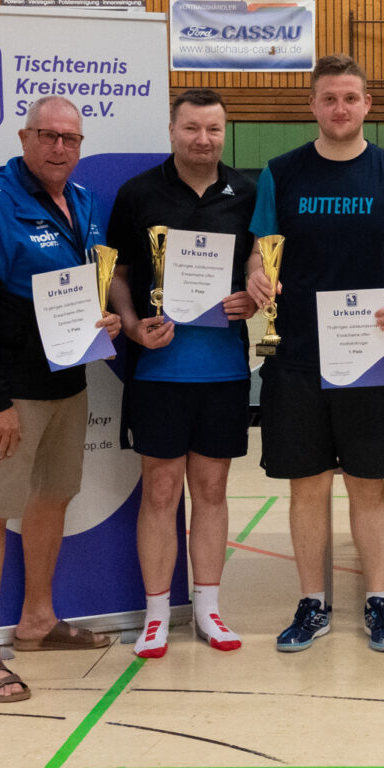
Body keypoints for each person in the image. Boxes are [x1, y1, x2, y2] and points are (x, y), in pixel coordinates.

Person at [246, 55, 384, 654]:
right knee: (307, 485)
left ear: (367, 104)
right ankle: (312, 602)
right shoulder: (281, 173)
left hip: (371, 351)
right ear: (313, 106)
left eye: (351, 97)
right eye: (329, 99)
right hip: (297, 355)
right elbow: (261, 252)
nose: (340, 108)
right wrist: (255, 279)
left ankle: (378, 600)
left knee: (369, 485)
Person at [0, 95, 122, 701]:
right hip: (12, 396)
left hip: (69, 385)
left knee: (51, 499)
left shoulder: (84, 203)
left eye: (70, 139)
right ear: (25, 137)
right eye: (48, 136)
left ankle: (38, 621)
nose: (59, 148)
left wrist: (108, 322)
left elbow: (85, 294)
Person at [106, 89, 258, 658]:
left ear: (225, 131)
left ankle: (210, 609)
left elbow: (257, 259)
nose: (203, 140)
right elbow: (117, 273)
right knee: (161, 490)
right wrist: (131, 323)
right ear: (172, 129)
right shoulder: (138, 193)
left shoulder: (246, 192)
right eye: (192, 128)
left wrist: (251, 294)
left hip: (223, 370)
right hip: (159, 371)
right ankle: (154, 615)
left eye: (214, 129)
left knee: (212, 490)